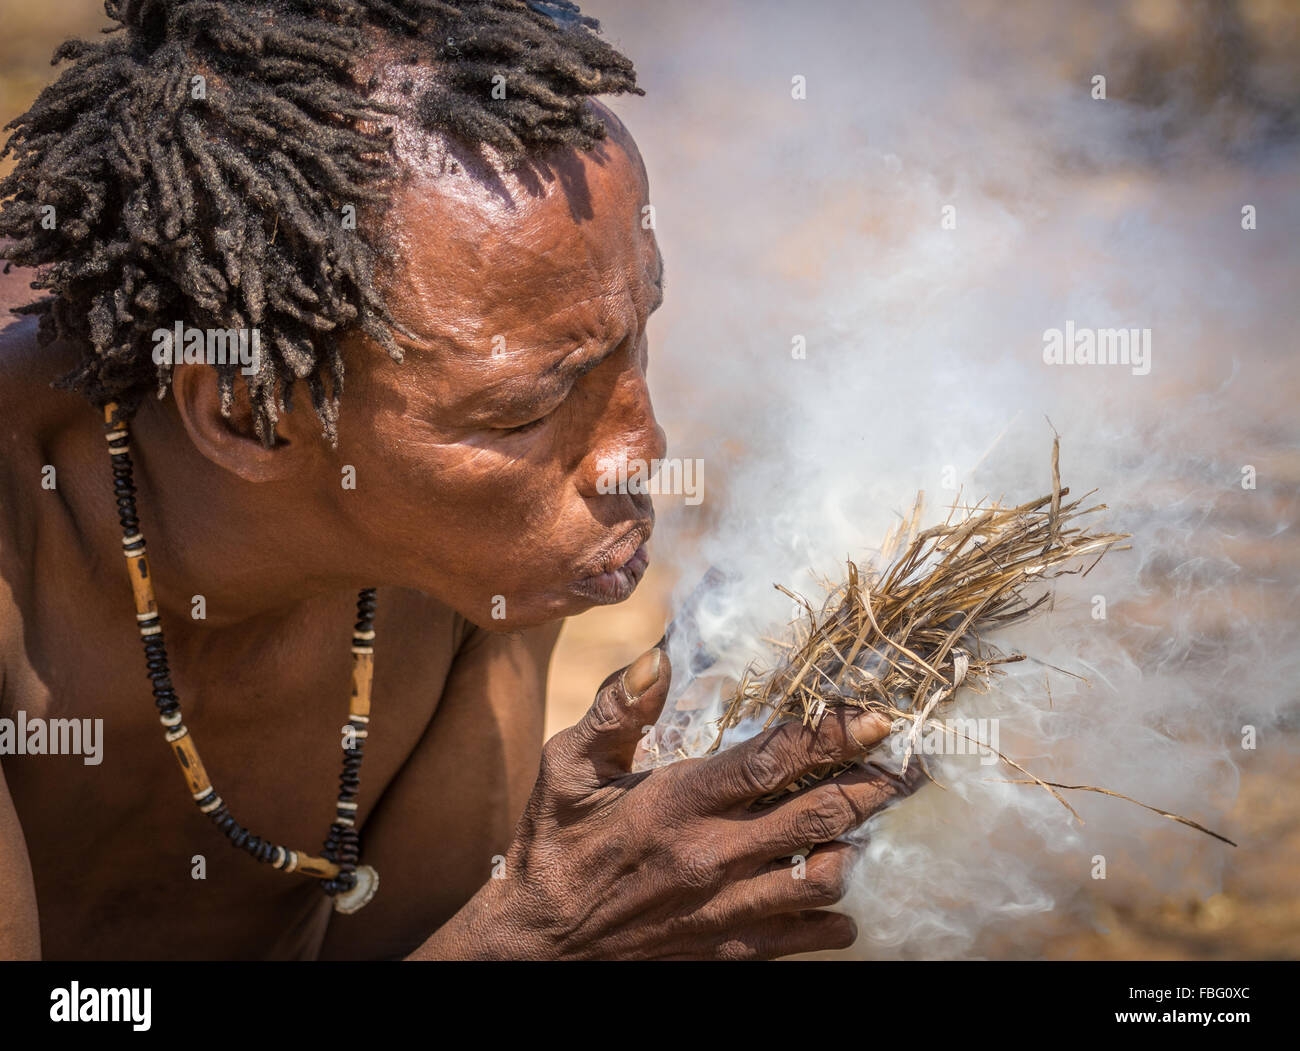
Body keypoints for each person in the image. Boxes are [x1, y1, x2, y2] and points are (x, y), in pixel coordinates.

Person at [0, 0, 918, 961]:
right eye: (526, 408)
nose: (640, 450)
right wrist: (545, 932)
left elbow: (406, 942)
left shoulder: (460, 551)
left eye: (634, 336)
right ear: (247, 412)